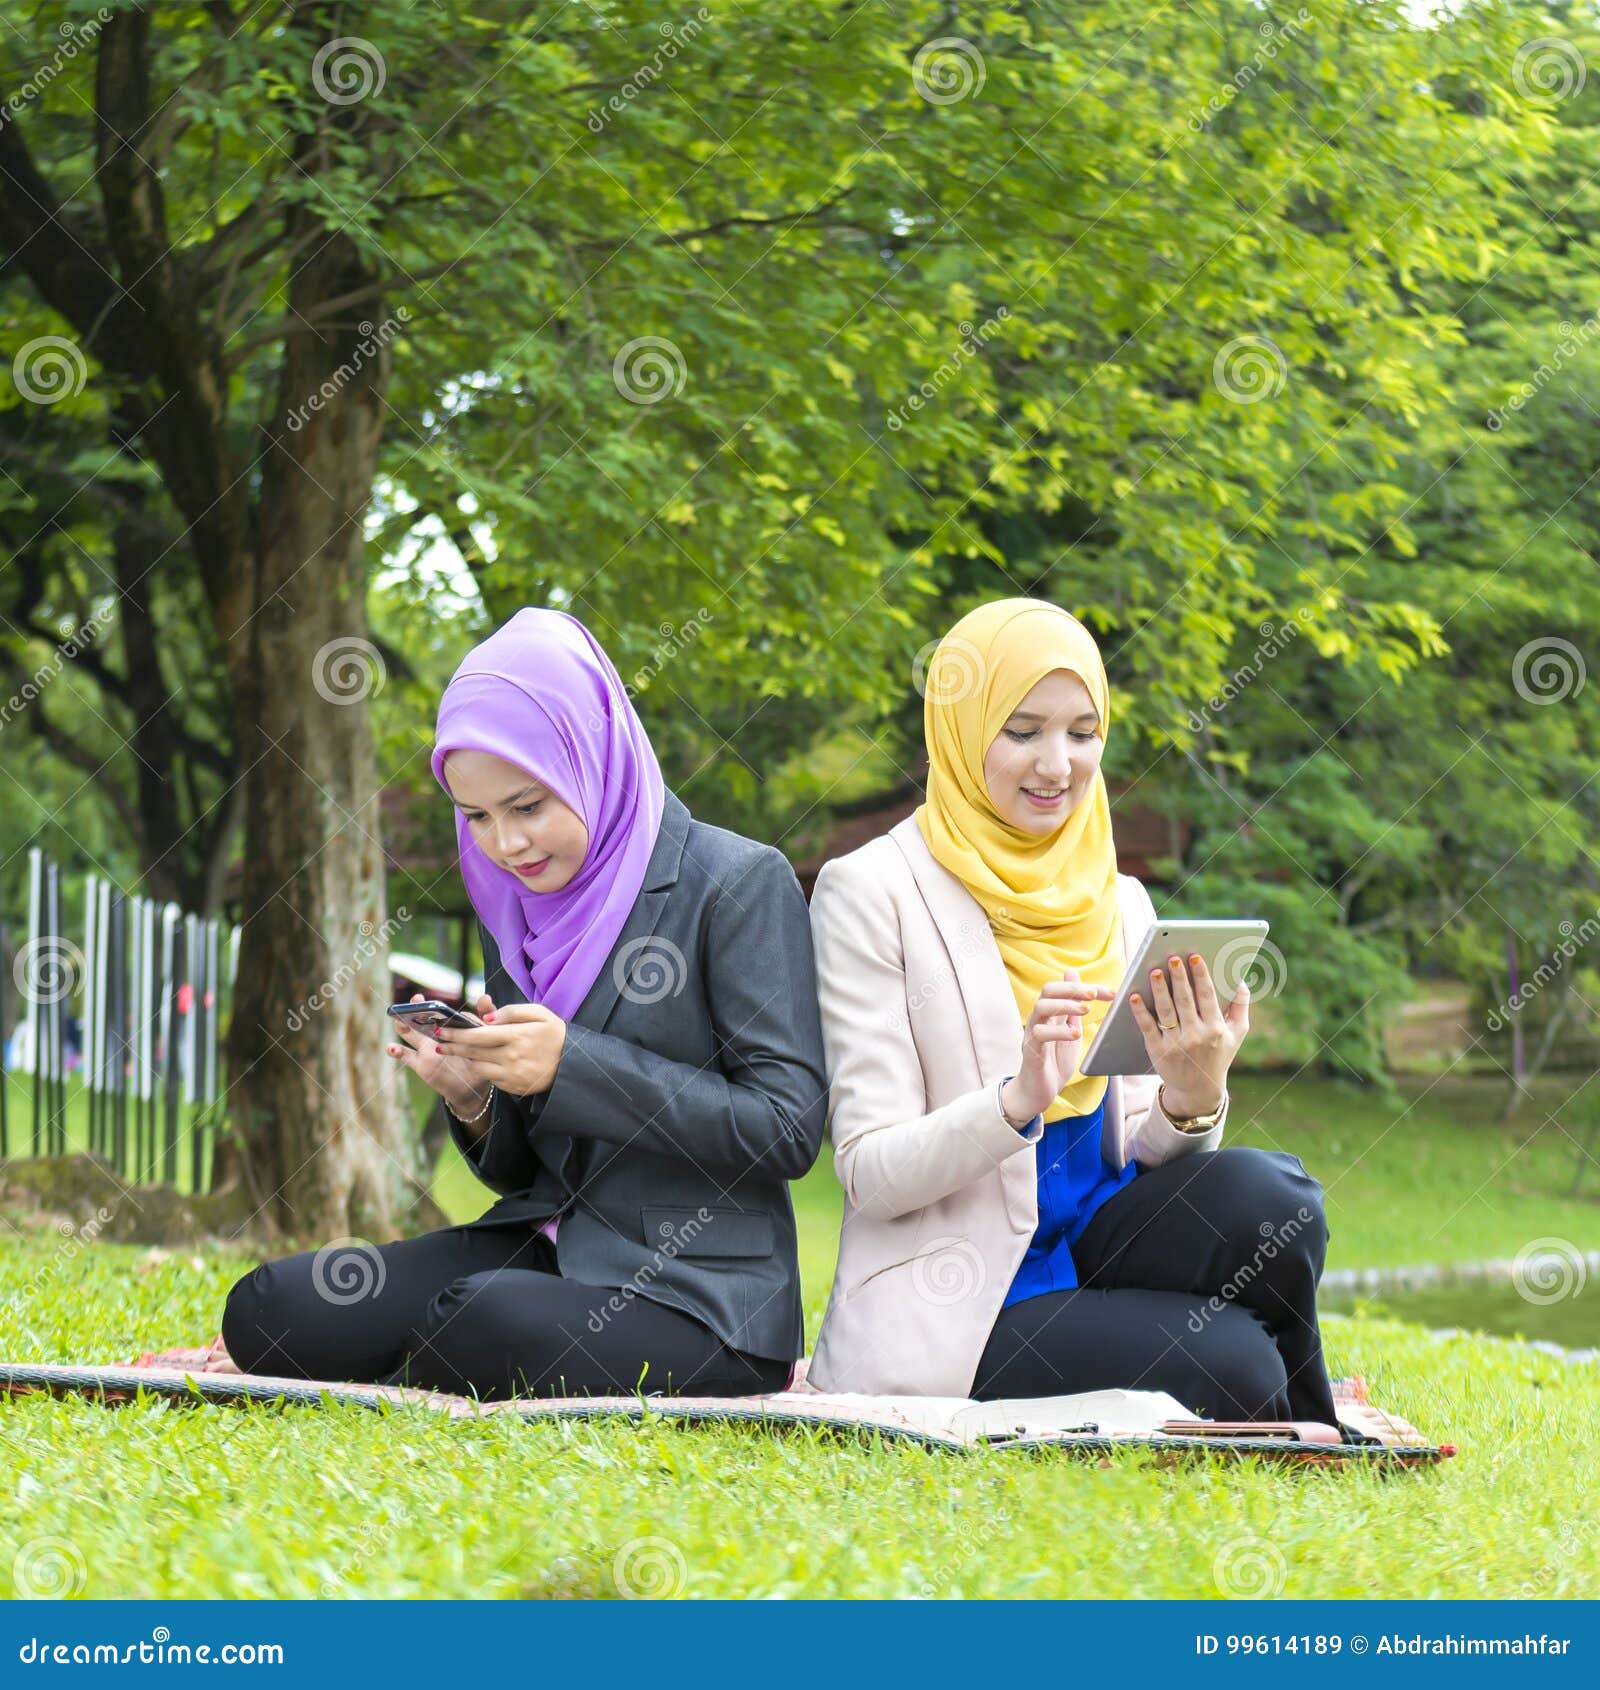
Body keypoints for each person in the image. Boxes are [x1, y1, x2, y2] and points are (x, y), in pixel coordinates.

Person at [221, 608, 828, 1401]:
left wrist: (576, 1063)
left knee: (474, 1321)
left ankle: (448, 1352)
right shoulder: (511, 901)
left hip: (703, 1294)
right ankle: (449, 1351)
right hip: (541, 1249)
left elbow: (787, 1128)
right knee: (270, 1310)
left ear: (590, 761)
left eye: (528, 805)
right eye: (477, 816)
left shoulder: (735, 882)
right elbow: (522, 1171)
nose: (507, 844)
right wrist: (476, 1101)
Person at [804, 597, 1340, 1426]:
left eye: (1082, 733)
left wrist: (1192, 1096)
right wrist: (1016, 1099)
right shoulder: (870, 892)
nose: (1057, 765)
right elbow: (871, 1175)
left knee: (1282, 1197)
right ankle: (1287, 1407)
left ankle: (1303, 1412)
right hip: (970, 1302)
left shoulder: (1117, 898)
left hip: (1099, 1252)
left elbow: (1140, 1150)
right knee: (1235, 1362)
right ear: (960, 727)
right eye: (1022, 731)